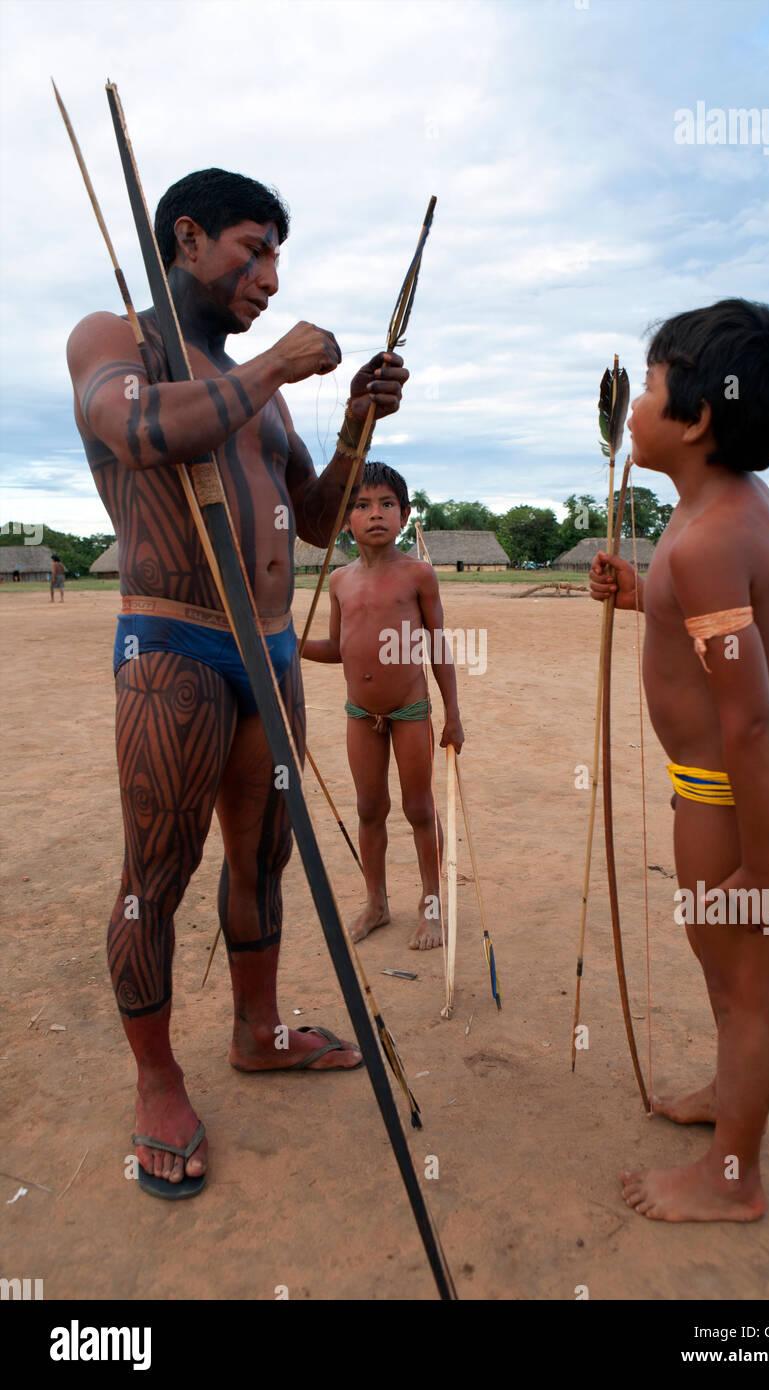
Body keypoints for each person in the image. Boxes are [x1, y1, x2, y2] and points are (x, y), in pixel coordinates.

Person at [66, 168, 411, 1198]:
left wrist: (352, 423)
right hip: (174, 645)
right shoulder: (115, 341)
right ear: (187, 238)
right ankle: (156, 1078)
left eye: (275, 258)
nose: (268, 276)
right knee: (154, 876)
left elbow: (314, 518)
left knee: (261, 860)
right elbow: (137, 431)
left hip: (264, 649)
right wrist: (274, 364)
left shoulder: (253, 396)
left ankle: (257, 1031)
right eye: (251, 250)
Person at [589, 299, 769, 1222]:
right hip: (752, 781)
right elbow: (710, 626)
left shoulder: (705, 539)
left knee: (740, 989)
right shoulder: (724, 506)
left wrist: (762, 863)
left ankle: (736, 1181)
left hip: (736, 793)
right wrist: (640, 596)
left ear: (695, 420)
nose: (638, 403)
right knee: (722, 969)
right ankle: (725, 1103)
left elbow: (748, 720)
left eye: (650, 386)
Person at [303, 461, 464, 949]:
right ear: (347, 519)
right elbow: (336, 649)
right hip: (360, 714)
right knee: (369, 807)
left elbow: (438, 647)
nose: (375, 514)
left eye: (387, 505)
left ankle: (431, 907)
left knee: (419, 808)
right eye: (362, 505)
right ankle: (376, 903)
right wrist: (289, 644)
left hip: (410, 711)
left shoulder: (418, 575)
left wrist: (452, 715)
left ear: (405, 513)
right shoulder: (338, 582)